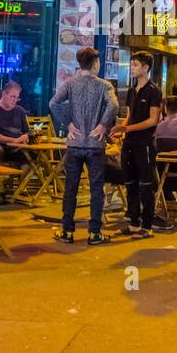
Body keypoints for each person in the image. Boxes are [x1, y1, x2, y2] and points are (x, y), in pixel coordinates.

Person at [49, 47, 117, 244]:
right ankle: (94, 233)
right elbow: (113, 105)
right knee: (96, 189)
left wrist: (68, 123)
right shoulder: (105, 86)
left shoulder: (70, 83)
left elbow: (53, 103)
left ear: (80, 64)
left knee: (71, 187)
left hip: (75, 144)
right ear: (95, 64)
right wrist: (103, 124)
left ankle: (67, 231)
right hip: (96, 145)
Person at [112, 52, 162, 239]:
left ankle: (147, 226)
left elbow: (153, 120)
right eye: (131, 65)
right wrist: (121, 128)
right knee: (130, 184)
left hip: (145, 144)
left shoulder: (154, 91)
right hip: (129, 143)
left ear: (146, 68)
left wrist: (127, 128)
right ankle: (133, 223)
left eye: (135, 65)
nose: (132, 68)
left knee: (145, 185)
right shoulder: (132, 91)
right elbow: (129, 116)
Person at [0, 81, 30, 165]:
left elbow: (26, 132)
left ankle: (25, 177)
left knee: (33, 153)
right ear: (3, 94)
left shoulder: (20, 110)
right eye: (12, 97)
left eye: (17, 98)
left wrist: (25, 138)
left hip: (18, 146)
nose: (15, 100)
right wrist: (14, 141)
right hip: (0, 144)